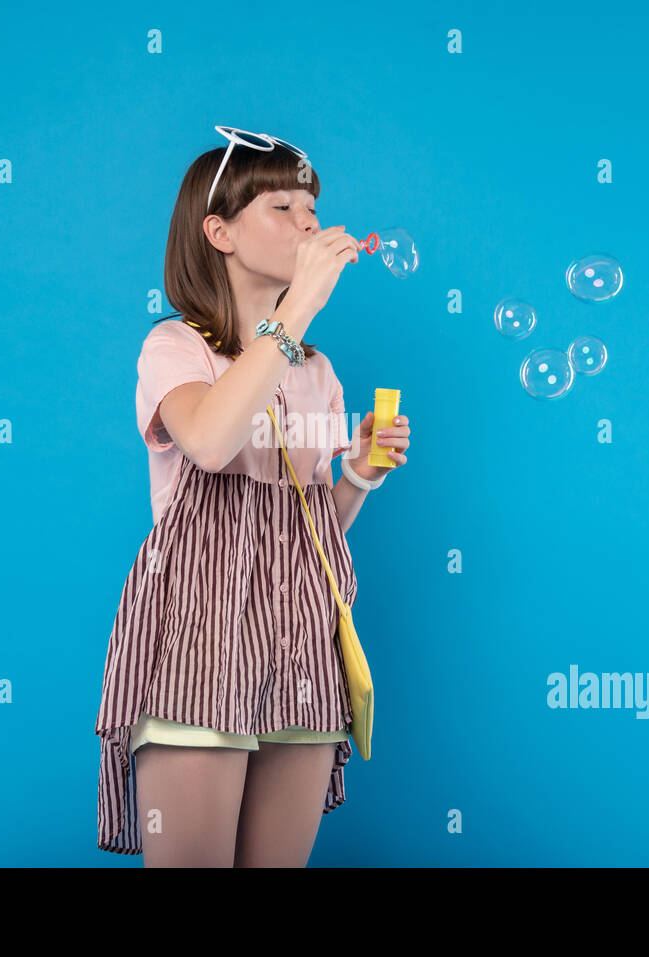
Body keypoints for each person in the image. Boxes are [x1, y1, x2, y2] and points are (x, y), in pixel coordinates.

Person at [95, 127, 411, 866]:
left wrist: (359, 474)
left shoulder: (317, 371)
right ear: (220, 232)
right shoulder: (177, 347)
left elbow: (313, 531)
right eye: (283, 206)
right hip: (200, 638)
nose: (310, 223)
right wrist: (296, 308)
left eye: (312, 205)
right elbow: (206, 440)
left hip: (301, 641)